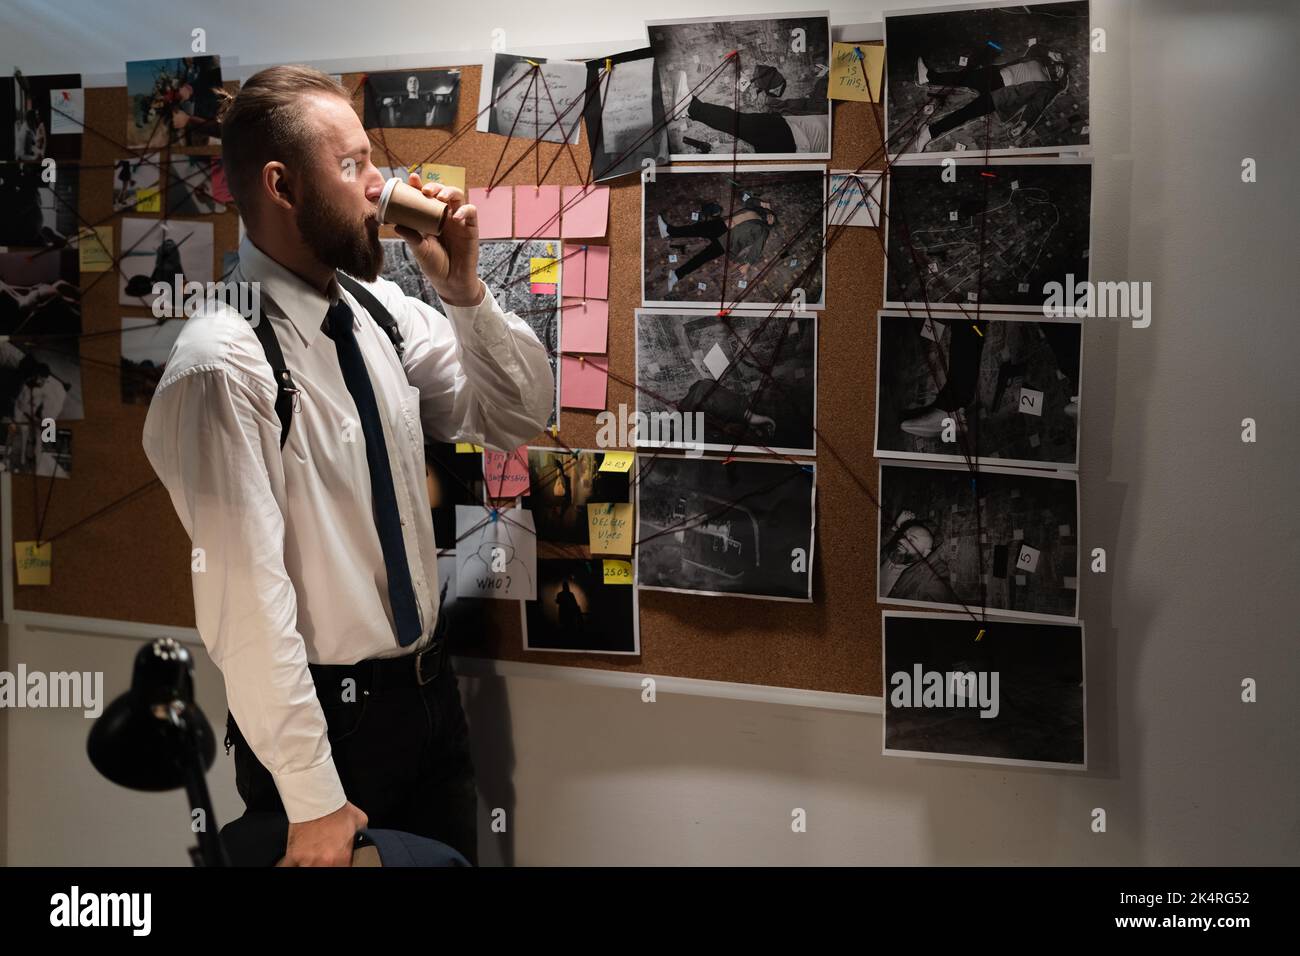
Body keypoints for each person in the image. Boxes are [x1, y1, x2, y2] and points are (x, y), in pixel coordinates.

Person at [141, 65, 554, 867]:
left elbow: (515, 416)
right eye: (355, 163)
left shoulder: (375, 312)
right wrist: (313, 799)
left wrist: (465, 292)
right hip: (331, 731)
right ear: (282, 185)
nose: (382, 187)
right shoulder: (224, 363)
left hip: (431, 702)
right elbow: (245, 607)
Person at [912, 42, 1069, 151]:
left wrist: (1024, 123)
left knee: (965, 113)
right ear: (1055, 63)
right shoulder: (1039, 59)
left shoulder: (1049, 88)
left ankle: (929, 132)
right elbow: (1035, 48)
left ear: (1060, 79)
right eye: (1060, 66)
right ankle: (928, 77)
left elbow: (1036, 106)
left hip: (1000, 96)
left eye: (1063, 73)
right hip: (995, 75)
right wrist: (1050, 52)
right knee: (960, 78)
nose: (1060, 70)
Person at [672, 69, 828, 155]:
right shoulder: (825, 111)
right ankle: (689, 109)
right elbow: (805, 103)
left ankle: (690, 106)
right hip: (790, 131)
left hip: (795, 142)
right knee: (738, 122)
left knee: (738, 122)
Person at [654, 197, 777, 294]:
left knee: (702, 258)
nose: (770, 216)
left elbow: (757, 248)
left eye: (772, 218)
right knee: (694, 229)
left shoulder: (763, 230)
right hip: (721, 225)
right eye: (770, 214)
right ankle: (669, 231)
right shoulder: (755, 209)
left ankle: (676, 275)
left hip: (727, 241)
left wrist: (748, 264)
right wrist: (761, 203)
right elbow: (749, 202)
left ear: (771, 223)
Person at [879, 510, 952, 603]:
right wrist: (895, 526)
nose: (901, 540)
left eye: (911, 540)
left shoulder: (930, 575)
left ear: (926, 553)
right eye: (904, 535)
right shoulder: (890, 552)